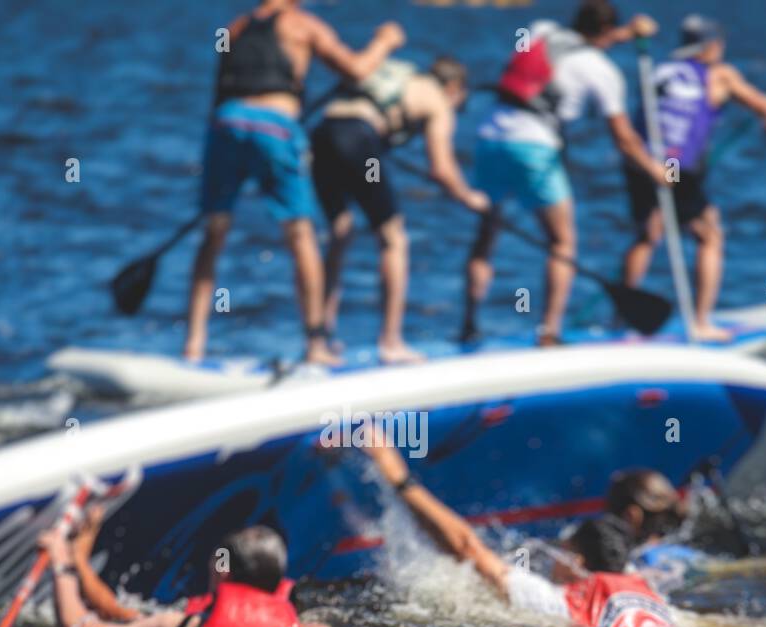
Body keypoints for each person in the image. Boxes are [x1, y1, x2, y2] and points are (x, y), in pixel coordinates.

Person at [184, 0, 406, 366]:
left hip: (225, 126)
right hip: (274, 126)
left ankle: (193, 343)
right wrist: (384, 42)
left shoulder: (233, 28)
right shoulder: (303, 25)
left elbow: (220, 88)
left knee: (214, 232)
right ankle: (315, 343)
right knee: (300, 233)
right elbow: (356, 71)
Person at [463, 0, 670, 345]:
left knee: (485, 238)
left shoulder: (540, 28)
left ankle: (468, 326)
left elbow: (578, 42)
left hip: (490, 137)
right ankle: (549, 333)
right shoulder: (602, 71)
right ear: (605, 33)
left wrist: (625, 33)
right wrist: (656, 171)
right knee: (562, 242)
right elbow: (624, 139)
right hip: (535, 146)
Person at [364, 442, 680, 627]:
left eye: (562, 551)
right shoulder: (652, 596)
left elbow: (467, 547)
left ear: (577, 562)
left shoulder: (564, 602)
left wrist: (398, 478)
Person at [311, 56, 490, 363]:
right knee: (393, 238)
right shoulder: (438, 100)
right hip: (359, 140)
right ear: (454, 88)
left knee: (340, 232)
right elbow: (442, 169)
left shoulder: (399, 76)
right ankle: (391, 342)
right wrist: (470, 198)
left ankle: (320, 340)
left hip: (323, 135)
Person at [620, 14, 766, 341]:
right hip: (677, 165)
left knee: (647, 234)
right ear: (710, 46)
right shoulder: (719, 75)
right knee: (709, 234)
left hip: (642, 160)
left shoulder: (662, 69)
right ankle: (701, 322)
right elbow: (764, 107)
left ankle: (623, 320)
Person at [38, 508, 340, 627]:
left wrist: (60, 560)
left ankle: (78, 560)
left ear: (222, 572)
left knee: (130, 619)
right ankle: (82, 562)